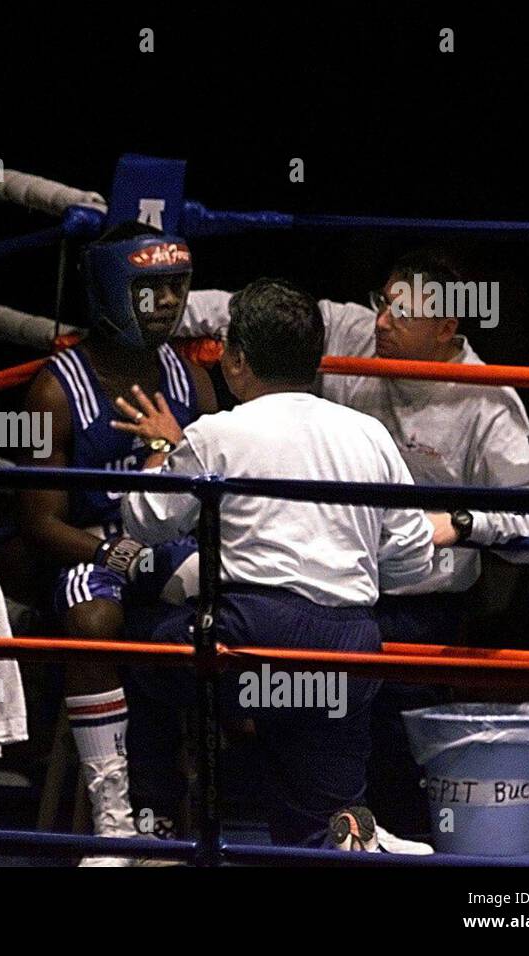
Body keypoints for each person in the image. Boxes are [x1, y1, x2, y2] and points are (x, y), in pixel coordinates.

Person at [179, 250, 529, 831]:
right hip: (322, 587)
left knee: (385, 753)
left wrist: (463, 523)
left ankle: (368, 832)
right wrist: (153, 310)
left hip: (417, 605)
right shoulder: (356, 334)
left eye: (402, 313)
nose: (383, 321)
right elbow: (249, 314)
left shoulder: (488, 403)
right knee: (277, 698)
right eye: (384, 302)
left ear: (447, 326)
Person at [120, 277, 435, 845]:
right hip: (350, 648)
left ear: (236, 360)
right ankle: (356, 834)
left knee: (140, 653)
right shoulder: (370, 435)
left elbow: (143, 521)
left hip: (252, 644)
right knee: (319, 825)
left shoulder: (218, 432)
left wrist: (164, 448)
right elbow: (413, 562)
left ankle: (152, 829)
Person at [16, 221, 218, 864]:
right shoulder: (54, 390)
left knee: (233, 594)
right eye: (146, 288)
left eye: (175, 286)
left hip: (172, 541)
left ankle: (225, 796)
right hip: (87, 548)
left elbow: (218, 499)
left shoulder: (193, 383)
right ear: (108, 288)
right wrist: (114, 554)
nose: (165, 303)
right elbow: (39, 523)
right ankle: (113, 817)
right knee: (94, 614)